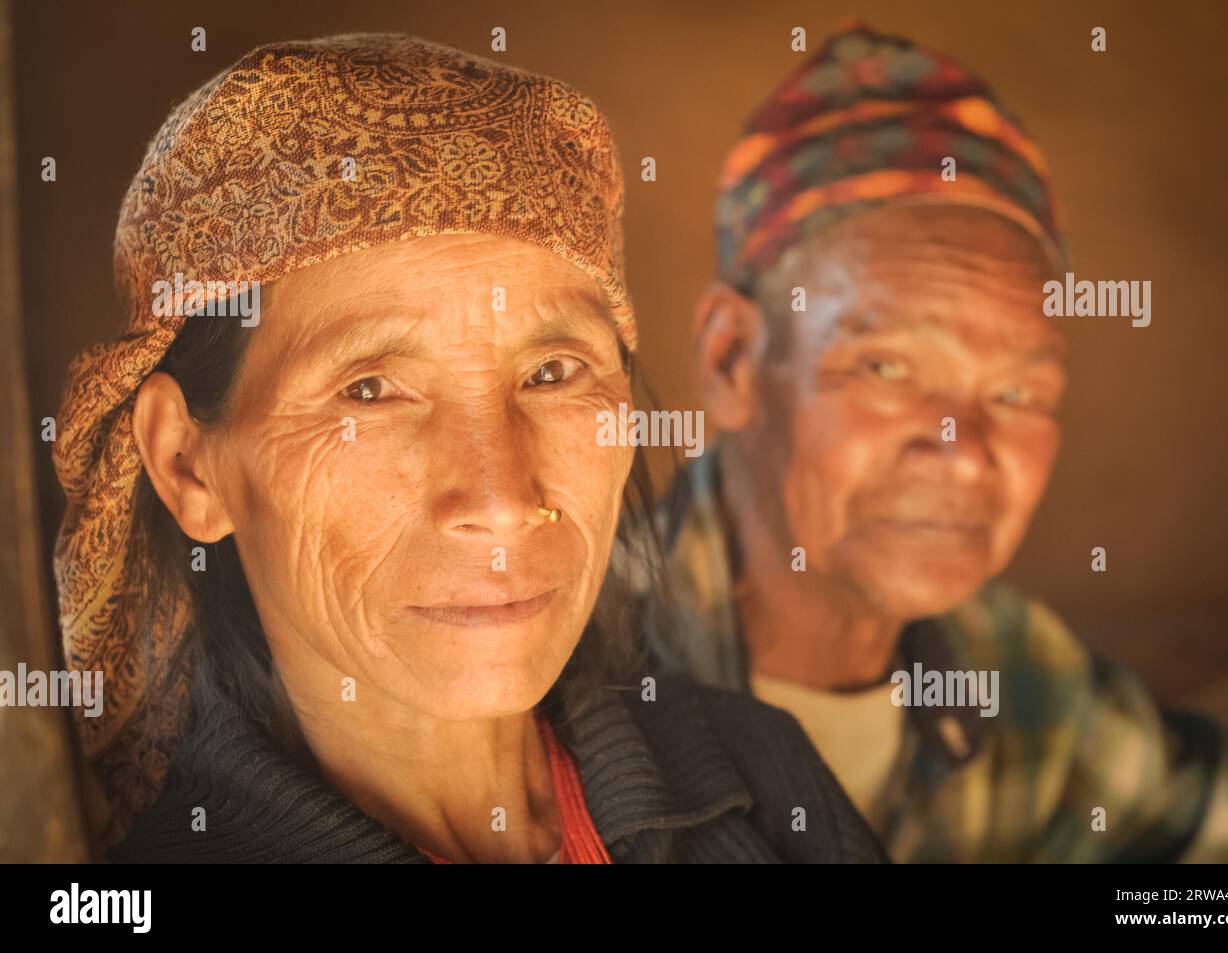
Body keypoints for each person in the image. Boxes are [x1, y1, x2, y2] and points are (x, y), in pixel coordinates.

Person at [52, 33, 887, 864]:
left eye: (554, 372)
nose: (499, 500)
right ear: (188, 466)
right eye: (370, 389)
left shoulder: (759, 775)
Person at [643, 21, 1228, 863]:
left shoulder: (1010, 665)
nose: (963, 450)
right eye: (886, 366)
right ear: (731, 361)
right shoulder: (570, 681)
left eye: (1017, 391)